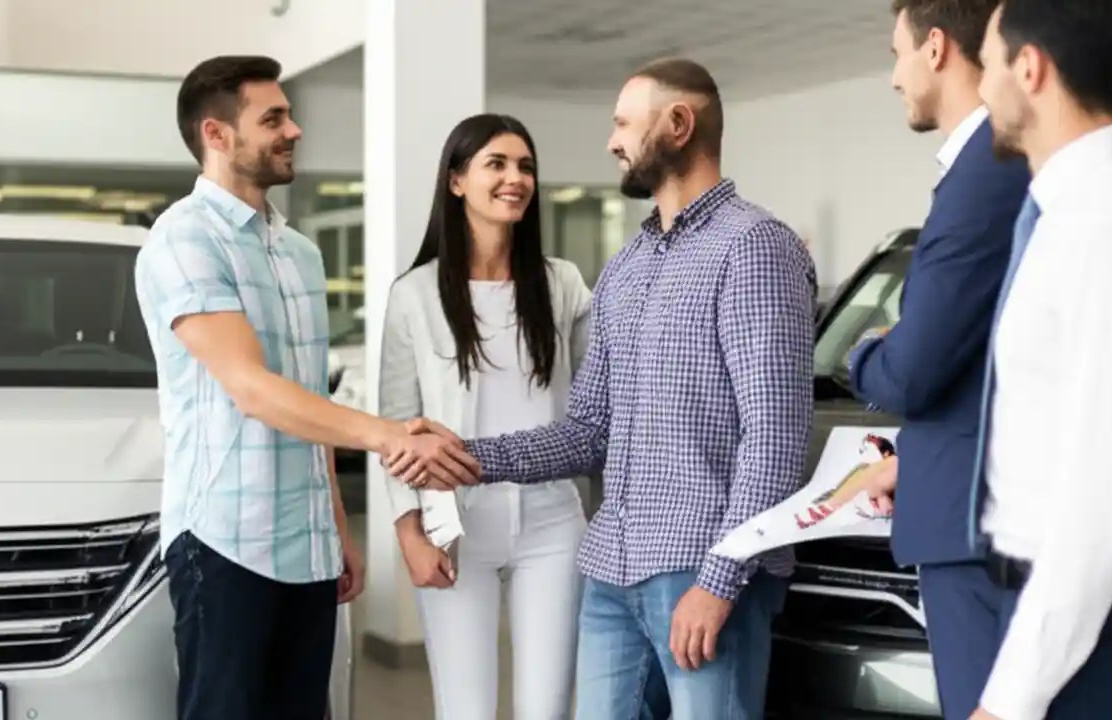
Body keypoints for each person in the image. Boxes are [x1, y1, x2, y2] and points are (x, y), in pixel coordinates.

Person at [392, 58, 816, 720]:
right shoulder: (627, 266)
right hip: (612, 571)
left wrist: (720, 579)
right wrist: (466, 457)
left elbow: (775, 435)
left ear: (678, 124)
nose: (612, 141)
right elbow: (589, 429)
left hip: (700, 570)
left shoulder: (755, 247)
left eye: (623, 123)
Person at [133, 55, 478, 720]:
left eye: (289, 116)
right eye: (273, 119)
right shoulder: (183, 239)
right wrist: (388, 436)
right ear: (216, 134)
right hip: (225, 540)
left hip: (308, 544)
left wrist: (335, 524)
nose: (294, 131)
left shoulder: (299, 253)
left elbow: (307, 397)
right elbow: (253, 389)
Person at [968, 1, 1112, 718]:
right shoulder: (1076, 216)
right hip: (1072, 626)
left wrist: (1008, 701)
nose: (980, 86)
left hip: (1098, 640)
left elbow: (1103, 501)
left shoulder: (1104, 229)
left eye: (986, 63)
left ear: (1030, 68)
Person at [843, 2, 1030, 717]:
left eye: (897, 53)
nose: (895, 76)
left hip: (973, 527)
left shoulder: (986, 171)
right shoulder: (987, 169)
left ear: (936, 48)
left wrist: (865, 352)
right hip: (966, 499)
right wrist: (914, 461)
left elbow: (915, 368)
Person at [379, 113, 594, 720]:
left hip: (554, 523)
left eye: (525, 166)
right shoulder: (415, 294)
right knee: (465, 709)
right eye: (495, 164)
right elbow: (397, 425)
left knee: (546, 709)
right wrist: (410, 536)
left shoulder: (562, 283)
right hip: (454, 528)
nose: (515, 178)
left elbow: (596, 405)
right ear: (456, 181)